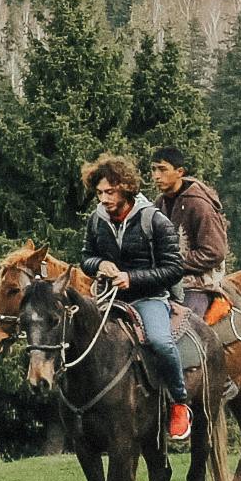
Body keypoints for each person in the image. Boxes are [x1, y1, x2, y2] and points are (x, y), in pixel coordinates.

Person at [80, 151, 194, 445]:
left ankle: (179, 404)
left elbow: (173, 269)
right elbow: (86, 258)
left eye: (110, 191)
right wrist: (98, 265)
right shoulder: (96, 220)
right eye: (99, 192)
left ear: (126, 188)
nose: (103, 199)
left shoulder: (153, 221)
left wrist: (132, 278)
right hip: (108, 298)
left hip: (149, 298)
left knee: (160, 342)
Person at [150, 145, 234, 327]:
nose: (156, 176)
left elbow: (214, 252)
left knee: (184, 329)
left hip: (198, 283)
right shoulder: (160, 203)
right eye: (153, 169)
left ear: (179, 172)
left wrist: (172, 263)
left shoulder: (199, 205)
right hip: (165, 280)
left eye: (163, 169)